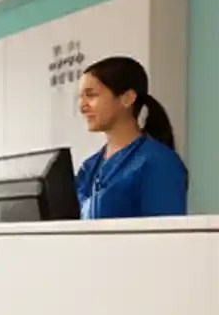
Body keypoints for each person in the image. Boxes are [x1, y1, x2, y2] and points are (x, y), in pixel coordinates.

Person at [75, 56, 187, 219]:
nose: (82, 106)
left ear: (127, 98)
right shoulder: (89, 168)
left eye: (91, 95)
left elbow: (164, 238)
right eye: (80, 97)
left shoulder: (158, 162)